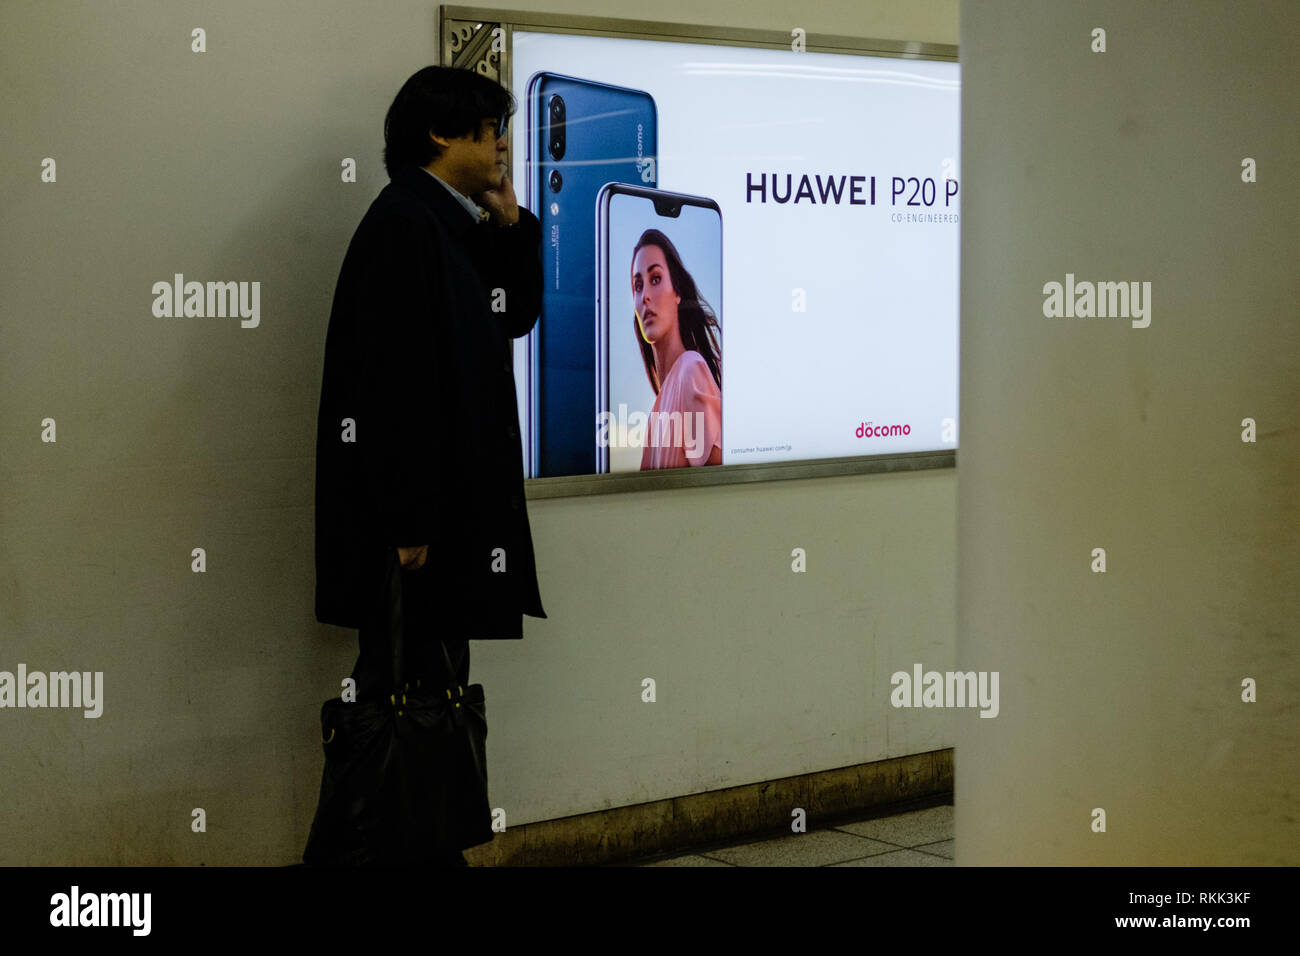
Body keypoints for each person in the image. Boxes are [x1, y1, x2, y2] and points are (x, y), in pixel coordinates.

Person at [312, 66, 547, 865]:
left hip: (444, 516)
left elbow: (511, 313)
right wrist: (408, 519)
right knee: (398, 696)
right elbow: (390, 385)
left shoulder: (450, 222)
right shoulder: (406, 225)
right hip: (417, 522)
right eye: (492, 131)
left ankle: (416, 844)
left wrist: (511, 224)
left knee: (426, 690)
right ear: (443, 136)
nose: (504, 145)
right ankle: (373, 848)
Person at [629, 229, 722, 469]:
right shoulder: (655, 415)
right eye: (638, 286)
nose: (646, 296)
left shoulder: (690, 370)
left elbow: (719, 484)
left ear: (677, 292)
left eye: (656, 279)